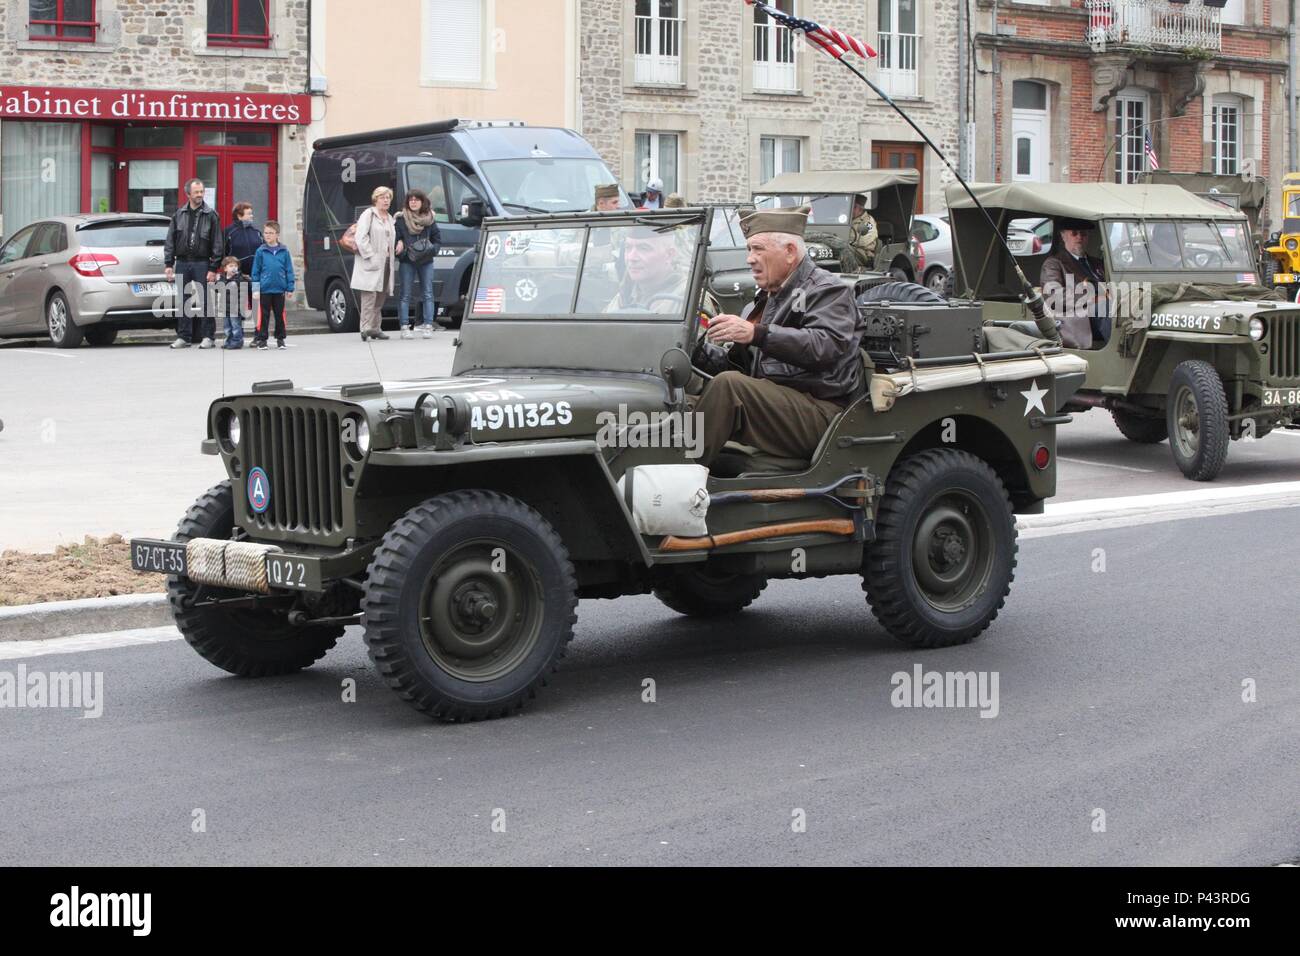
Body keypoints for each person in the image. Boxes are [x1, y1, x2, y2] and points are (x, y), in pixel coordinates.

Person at [691, 205, 862, 468]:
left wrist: (756, 333)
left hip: (820, 411)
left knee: (729, 387)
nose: (749, 258)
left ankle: (677, 473)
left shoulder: (827, 291)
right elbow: (742, 367)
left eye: (758, 249)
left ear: (790, 252)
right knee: (681, 399)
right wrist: (695, 350)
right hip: (779, 404)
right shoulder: (766, 299)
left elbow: (824, 346)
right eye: (749, 249)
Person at [163, 178, 224, 349]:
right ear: (188, 193)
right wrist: (168, 264)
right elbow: (170, 240)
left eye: (201, 192)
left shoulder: (211, 215)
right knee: (183, 300)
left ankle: (208, 337)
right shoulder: (179, 214)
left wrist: (213, 267)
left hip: (202, 263)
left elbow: (217, 243)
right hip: (182, 262)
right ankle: (184, 337)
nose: (199, 195)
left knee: (205, 301)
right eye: (196, 192)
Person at [1041, 219, 1110, 349]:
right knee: (1105, 307)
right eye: (1074, 233)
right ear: (1063, 235)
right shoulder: (1054, 264)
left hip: (1103, 314)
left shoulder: (1099, 264)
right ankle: (1123, 349)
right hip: (1076, 317)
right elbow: (1054, 297)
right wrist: (1093, 299)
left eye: (1083, 233)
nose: (1079, 237)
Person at [350, 185, 397, 341]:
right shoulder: (368, 214)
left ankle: (376, 328)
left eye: (388, 197)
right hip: (371, 262)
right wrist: (370, 255)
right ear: (375, 199)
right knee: (369, 296)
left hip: (387, 262)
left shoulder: (390, 218)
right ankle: (365, 328)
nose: (386, 200)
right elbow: (360, 237)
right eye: (382, 197)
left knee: (380, 297)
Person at [393, 188, 441, 339]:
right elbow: (396, 238)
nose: (413, 202)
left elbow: (437, 240)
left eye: (416, 199)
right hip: (407, 260)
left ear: (422, 202)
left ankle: (428, 325)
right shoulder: (401, 219)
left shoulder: (429, 219)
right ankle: (404, 326)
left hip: (426, 261)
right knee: (405, 294)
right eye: (410, 200)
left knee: (428, 293)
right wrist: (400, 249)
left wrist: (432, 250)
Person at [604, 229, 684, 313]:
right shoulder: (625, 294)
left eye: (643, 248)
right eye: (627, 248)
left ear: (669, 255)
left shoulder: (688, 299)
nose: (632, 257)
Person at [251, 221, 295, 350]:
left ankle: (280, 339)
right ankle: (262, 339)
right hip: (264, 289)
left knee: (279, 315)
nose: (267, 235)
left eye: (271, 233)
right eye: (265, 233)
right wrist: (255, 288)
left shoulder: (284, 251)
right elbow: (256, 271)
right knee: (264, 316)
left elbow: (289, 270)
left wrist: (290, 287)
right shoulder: (260, 251)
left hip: (279, 289)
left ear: (277, 235)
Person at [215, 256, 248, 349]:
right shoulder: (222, 278)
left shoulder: (239, 278)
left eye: (235, 266)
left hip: (236, 308)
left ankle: (237, 341)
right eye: (231, 266)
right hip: (225, 307)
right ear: (225, 268)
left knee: (235, 326)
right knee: (227, 327)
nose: (234, 268)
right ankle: (229, 340)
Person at [223, 202, 263, 277]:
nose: (252, 216)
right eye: (249, 214)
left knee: (256, 289)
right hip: (237, 277)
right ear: (239, 216)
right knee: (241, 289)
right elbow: (223, 254)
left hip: (256, 275)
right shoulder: (228, 232)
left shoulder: (256, 231)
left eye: (251, 213)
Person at [847, 193, 879, 271]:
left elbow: (864, 241)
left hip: (864, 254)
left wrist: (846, 240)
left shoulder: (868, 222)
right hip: (851, 250)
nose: (849, 209)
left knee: (843, 248)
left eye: (853, 207)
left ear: (860, 209)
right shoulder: (846, 219)